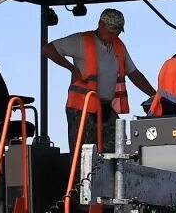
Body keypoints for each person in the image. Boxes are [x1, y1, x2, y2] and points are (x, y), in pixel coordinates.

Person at [43, 8, 155, 148]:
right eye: (110, 32)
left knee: (117, 147)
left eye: (117, 33)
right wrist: (72, 68)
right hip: (82, 108)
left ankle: (115, 170)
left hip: (105, 108)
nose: (113, 36)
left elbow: (134, 74)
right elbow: (48, 49)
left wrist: (155, 95)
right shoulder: (81, 40)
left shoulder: (118, 46)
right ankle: (80, 171)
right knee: (84, 153)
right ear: (101, 25)